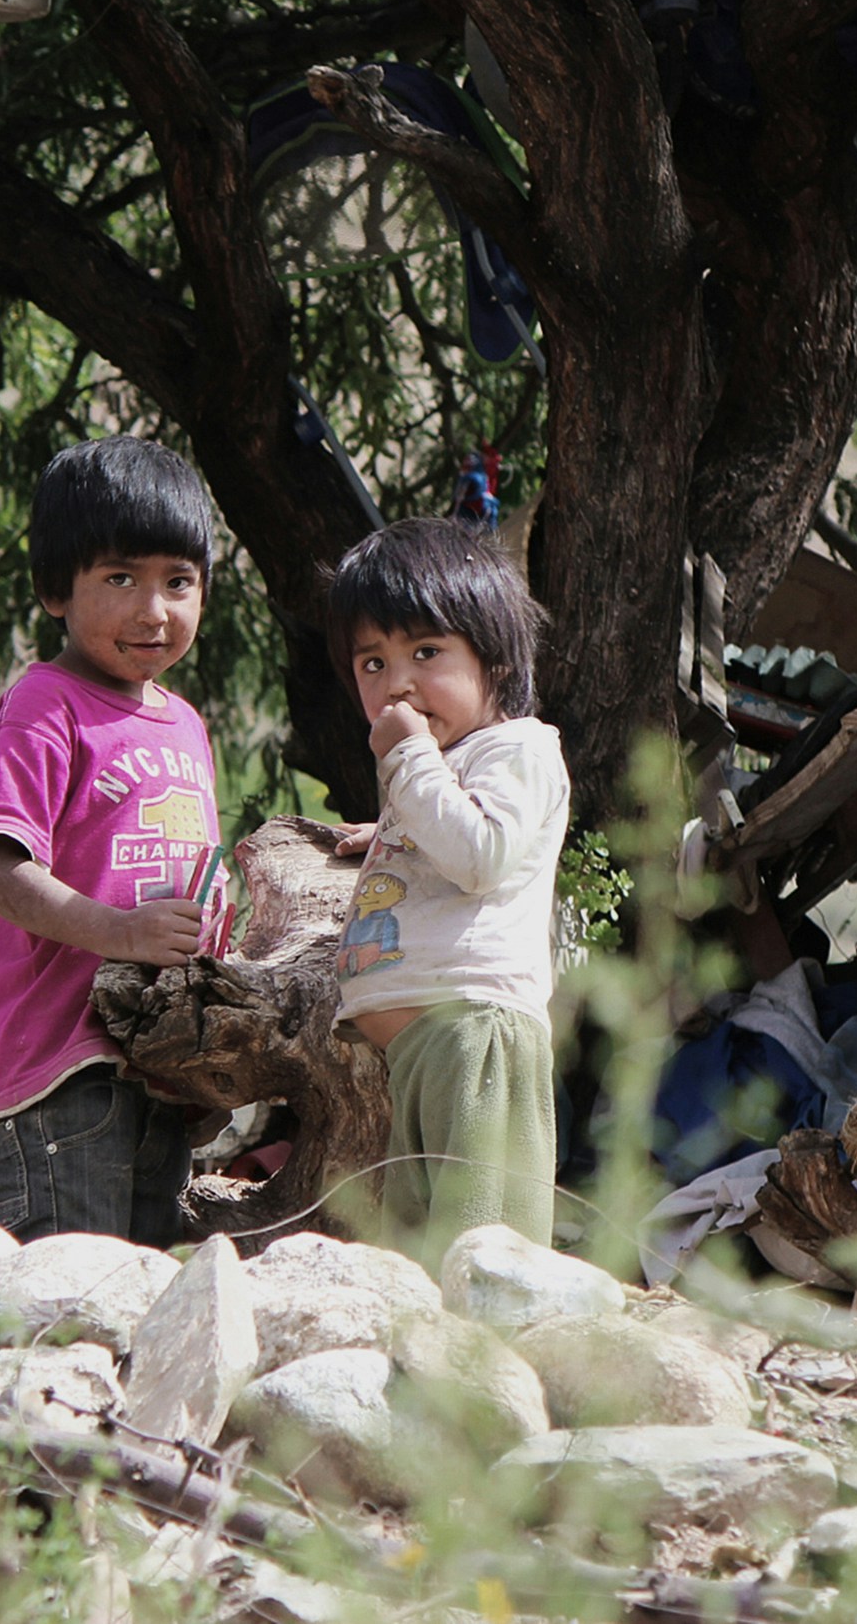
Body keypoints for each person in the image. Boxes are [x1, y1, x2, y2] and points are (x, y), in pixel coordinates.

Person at [0, 436, 222, 1244]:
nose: (154, 610)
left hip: (160, 1074)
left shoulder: (188, 725)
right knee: (64, 1324)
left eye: (179, 582)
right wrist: (121, 932)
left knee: (140, 1319)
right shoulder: (46, 703)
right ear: (52, 591)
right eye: (120, 579)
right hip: (62, 1078)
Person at [326, 517, 571, 1253]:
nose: (396, 680)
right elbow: (453, 834)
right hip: (423, 1056)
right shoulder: (448, 766)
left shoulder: (521, 747)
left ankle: (494, 1366)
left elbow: (483, 853)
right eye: (372, 663)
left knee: (483, 1253)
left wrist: (407, 762)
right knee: (417, 1258)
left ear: (493, 659)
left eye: (425, 651)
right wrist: (395, 832)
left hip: (477, 1040)